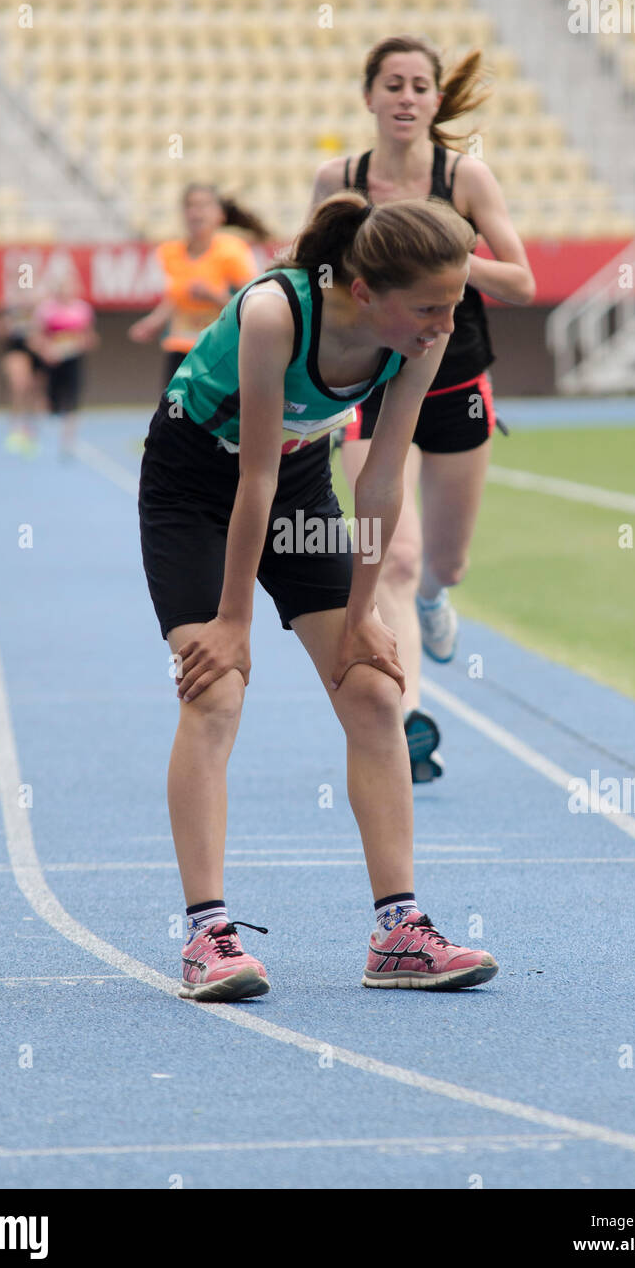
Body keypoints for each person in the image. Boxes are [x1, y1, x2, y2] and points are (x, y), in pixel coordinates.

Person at [138, 191, 501, 1001]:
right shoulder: (274, 313)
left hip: (298, 486)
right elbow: (248, 477)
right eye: (430, 307)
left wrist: (364, 612)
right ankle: (205, 934)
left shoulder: (419, 343)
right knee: (216, 690)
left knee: (373, 689)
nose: (444, 325)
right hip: (195, 488)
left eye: (453, 305)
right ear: (366, 292)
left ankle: (398, 932)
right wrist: (234, 622)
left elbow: (376, 481)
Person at [311, 36, 535, 782]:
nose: (405, 97)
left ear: (436, 101)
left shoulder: (463, 176)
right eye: (391, 84)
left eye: (418, 86)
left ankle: (439, 598)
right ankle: (405, 723)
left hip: (455, 380)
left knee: (441, 562)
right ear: (368, 97)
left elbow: (522, 284)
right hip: (369, 387)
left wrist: (441, 256)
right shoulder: (338, 180)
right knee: (392, 557)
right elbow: (313, 278)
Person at [128, 184, 268, 389]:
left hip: (218, 351)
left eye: (203, 205)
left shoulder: (233, 251)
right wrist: (154, 322)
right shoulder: (169, 253)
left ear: (219, 214)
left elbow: (253, 304)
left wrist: (214, 297)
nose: (195, 212)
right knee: (174, 414)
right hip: (180, 349)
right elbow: (174, 298)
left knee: (215, 417)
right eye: (190, 206)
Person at [30, 273, 98, 458]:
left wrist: (75, 345)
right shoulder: (45, 310)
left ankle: (68, 442)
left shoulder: (82, 309)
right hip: (51, 361)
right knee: (47, 400)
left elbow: (90, 338)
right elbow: (35, 338)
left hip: (73, 361)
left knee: (72, 400)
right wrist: (46, 351)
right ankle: (35, 436)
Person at [0, 288, 45, 457]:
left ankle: (30, 428)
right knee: (19, 385)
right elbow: (0, 331)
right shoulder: (9, 304)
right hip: (16, 349)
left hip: (35, 350)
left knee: (34, 389)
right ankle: (14, 428)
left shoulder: (40, 304)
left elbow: (45, 329)